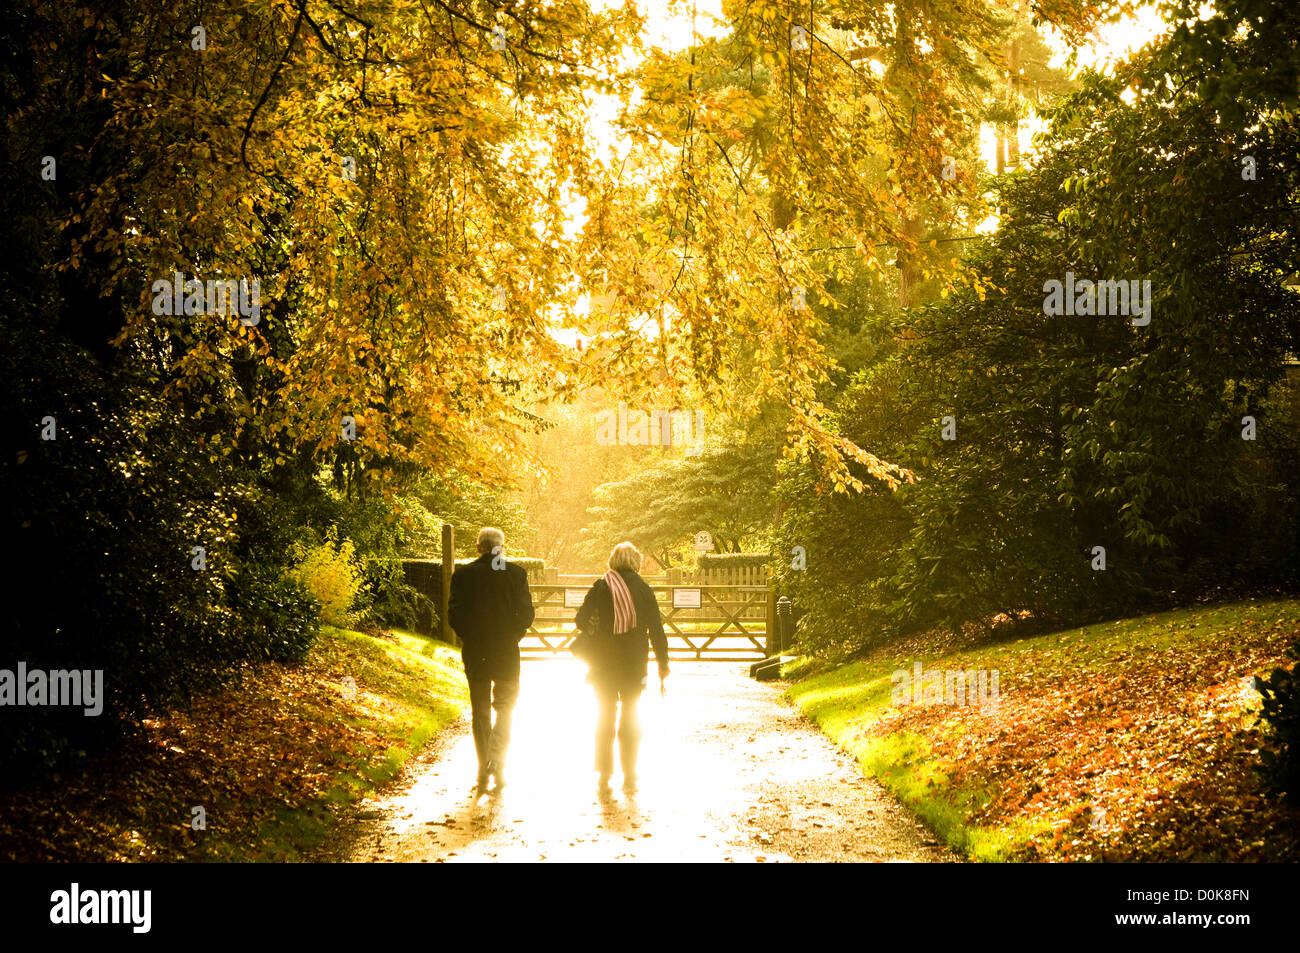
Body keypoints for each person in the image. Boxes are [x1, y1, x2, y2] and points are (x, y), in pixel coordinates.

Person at [574, 541, 669, 797]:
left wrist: (598, 624)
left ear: (613, 561)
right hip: (634, 661)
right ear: (635, 562)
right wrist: (663, 663)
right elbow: (657, 630)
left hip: (603, 661)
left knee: (604, 714)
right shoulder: (643, 589)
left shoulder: (601, 585)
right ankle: (630, 774)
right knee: (631, 715)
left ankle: (604, 773)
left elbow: (580, 619)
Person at [448, 527, 535, 796]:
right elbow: (527, 614)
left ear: (478, 548)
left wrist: (470, 636)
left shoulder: (463, 575)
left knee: (481, 712)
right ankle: (497, 761)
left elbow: (454, 615)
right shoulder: (515, 574)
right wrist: (513, 636)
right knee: (506, 709)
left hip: (476, 651)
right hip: (506, 652)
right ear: (501, 547)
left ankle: (484, 767)